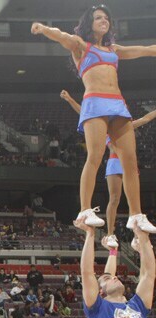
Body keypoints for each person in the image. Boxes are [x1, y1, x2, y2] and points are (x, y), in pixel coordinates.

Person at [32, 8, 156, 234]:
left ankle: (136, 215)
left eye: (106, 18)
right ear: (89, 23)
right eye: (99, 18)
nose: (104, 20)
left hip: (117, 103)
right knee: (95, 156)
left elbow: (145, 49)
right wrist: (44, 29)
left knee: (130, 161)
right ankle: (85, 210)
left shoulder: (114, 49)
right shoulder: (81, 46)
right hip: (95, 102)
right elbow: (62, 36)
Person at [61, 90, 156, 247]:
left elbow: (146, 118)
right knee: (115, 198)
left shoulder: (126, 126)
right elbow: (84, 112)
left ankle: (137, 235)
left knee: (134, 198)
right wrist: (70, 99)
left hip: (129, 164)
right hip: (114, 162)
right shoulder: (103, 127)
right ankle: (110, 234)